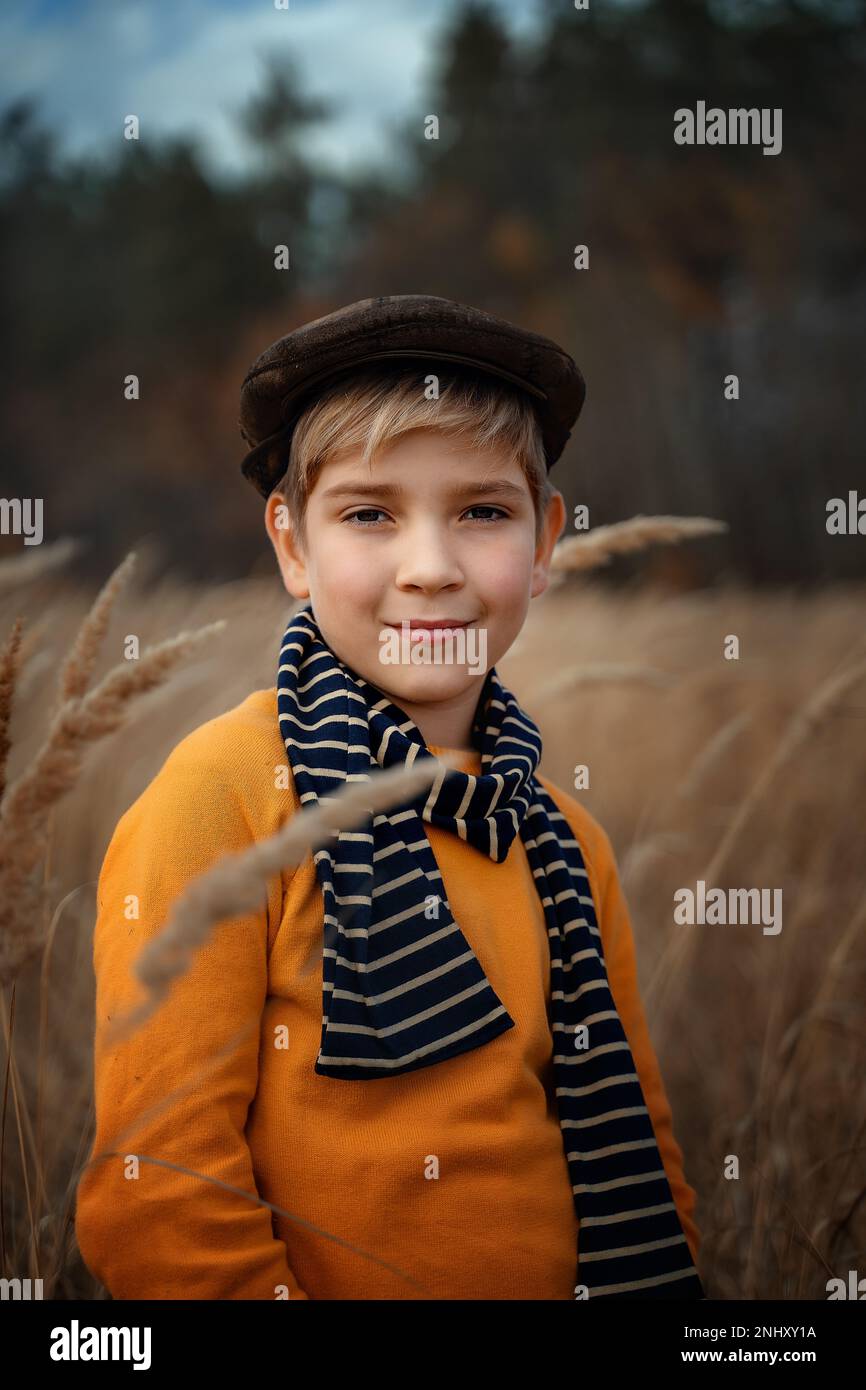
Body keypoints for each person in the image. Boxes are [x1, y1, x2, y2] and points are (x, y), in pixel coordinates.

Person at [75, 294, 703, 1300]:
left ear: (542, 541)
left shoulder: (559, 836)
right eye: (369, 514)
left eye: (482, 513)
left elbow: (639, 1139)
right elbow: (158, 1187)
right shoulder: (224, 795)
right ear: (291, 544)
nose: (430, 568)